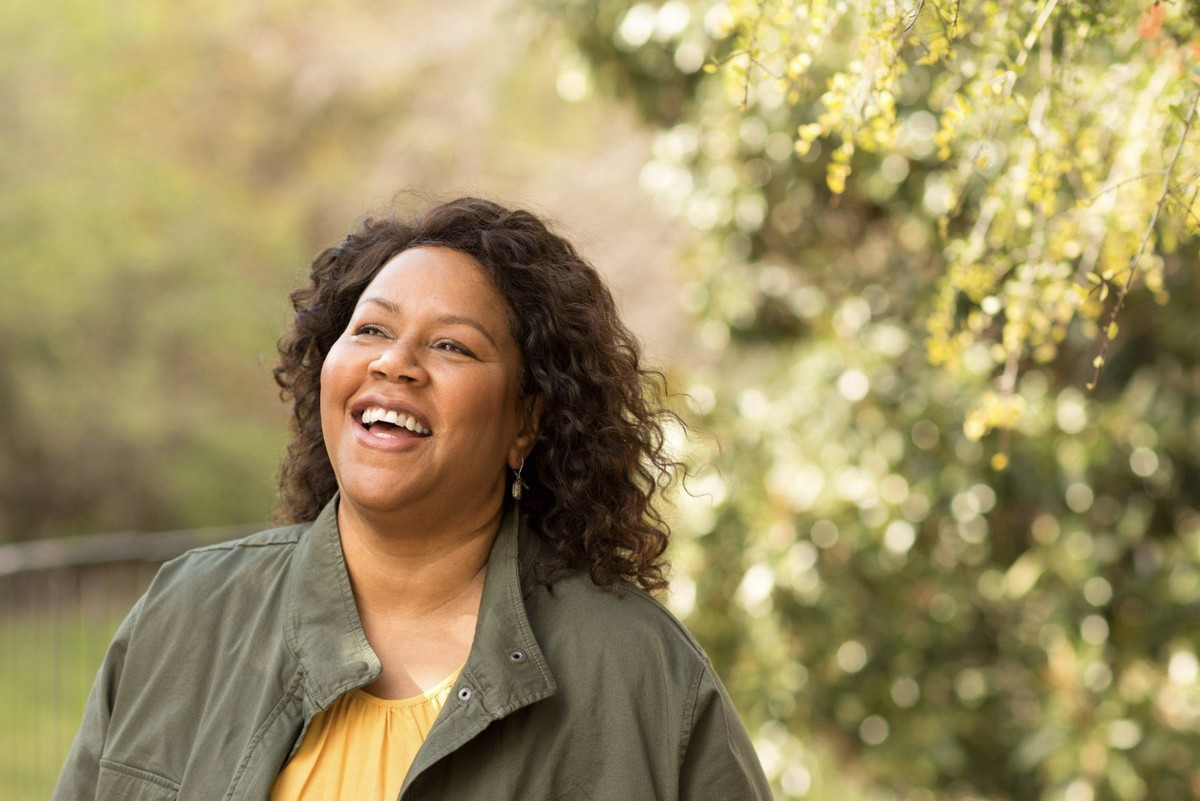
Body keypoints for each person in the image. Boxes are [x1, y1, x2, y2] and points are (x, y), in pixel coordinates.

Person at [52, 197, 772, 800]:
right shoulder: (187, 616)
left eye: (452, 346)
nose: (395, 362)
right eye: (370, 329)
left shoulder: (639, 675)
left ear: (528, 420)